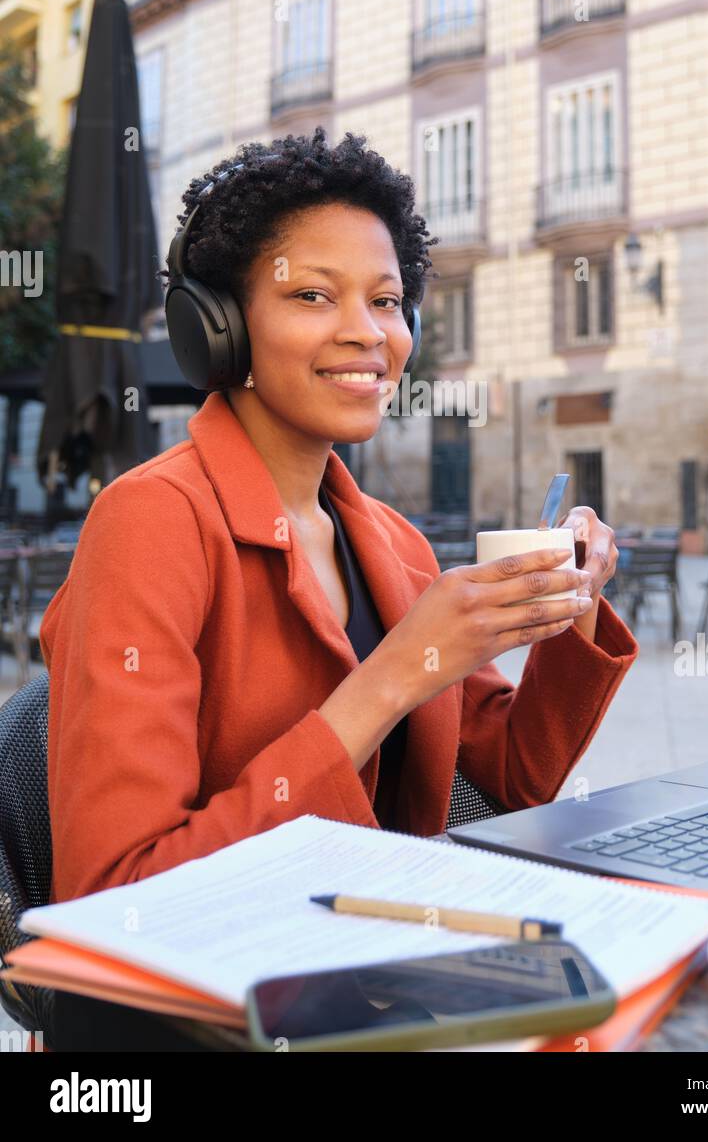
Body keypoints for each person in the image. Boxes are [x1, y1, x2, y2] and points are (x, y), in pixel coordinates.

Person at [40, 127, 638, 1048]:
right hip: (202, 1019)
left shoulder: (388, 540)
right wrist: (395, 675)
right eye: (312, 295)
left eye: (389, 301)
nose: (368, 332)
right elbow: (121, 896)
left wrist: (568, 606)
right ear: (219, 326)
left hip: (363, 986)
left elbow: (517, 776)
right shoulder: (152, 522)